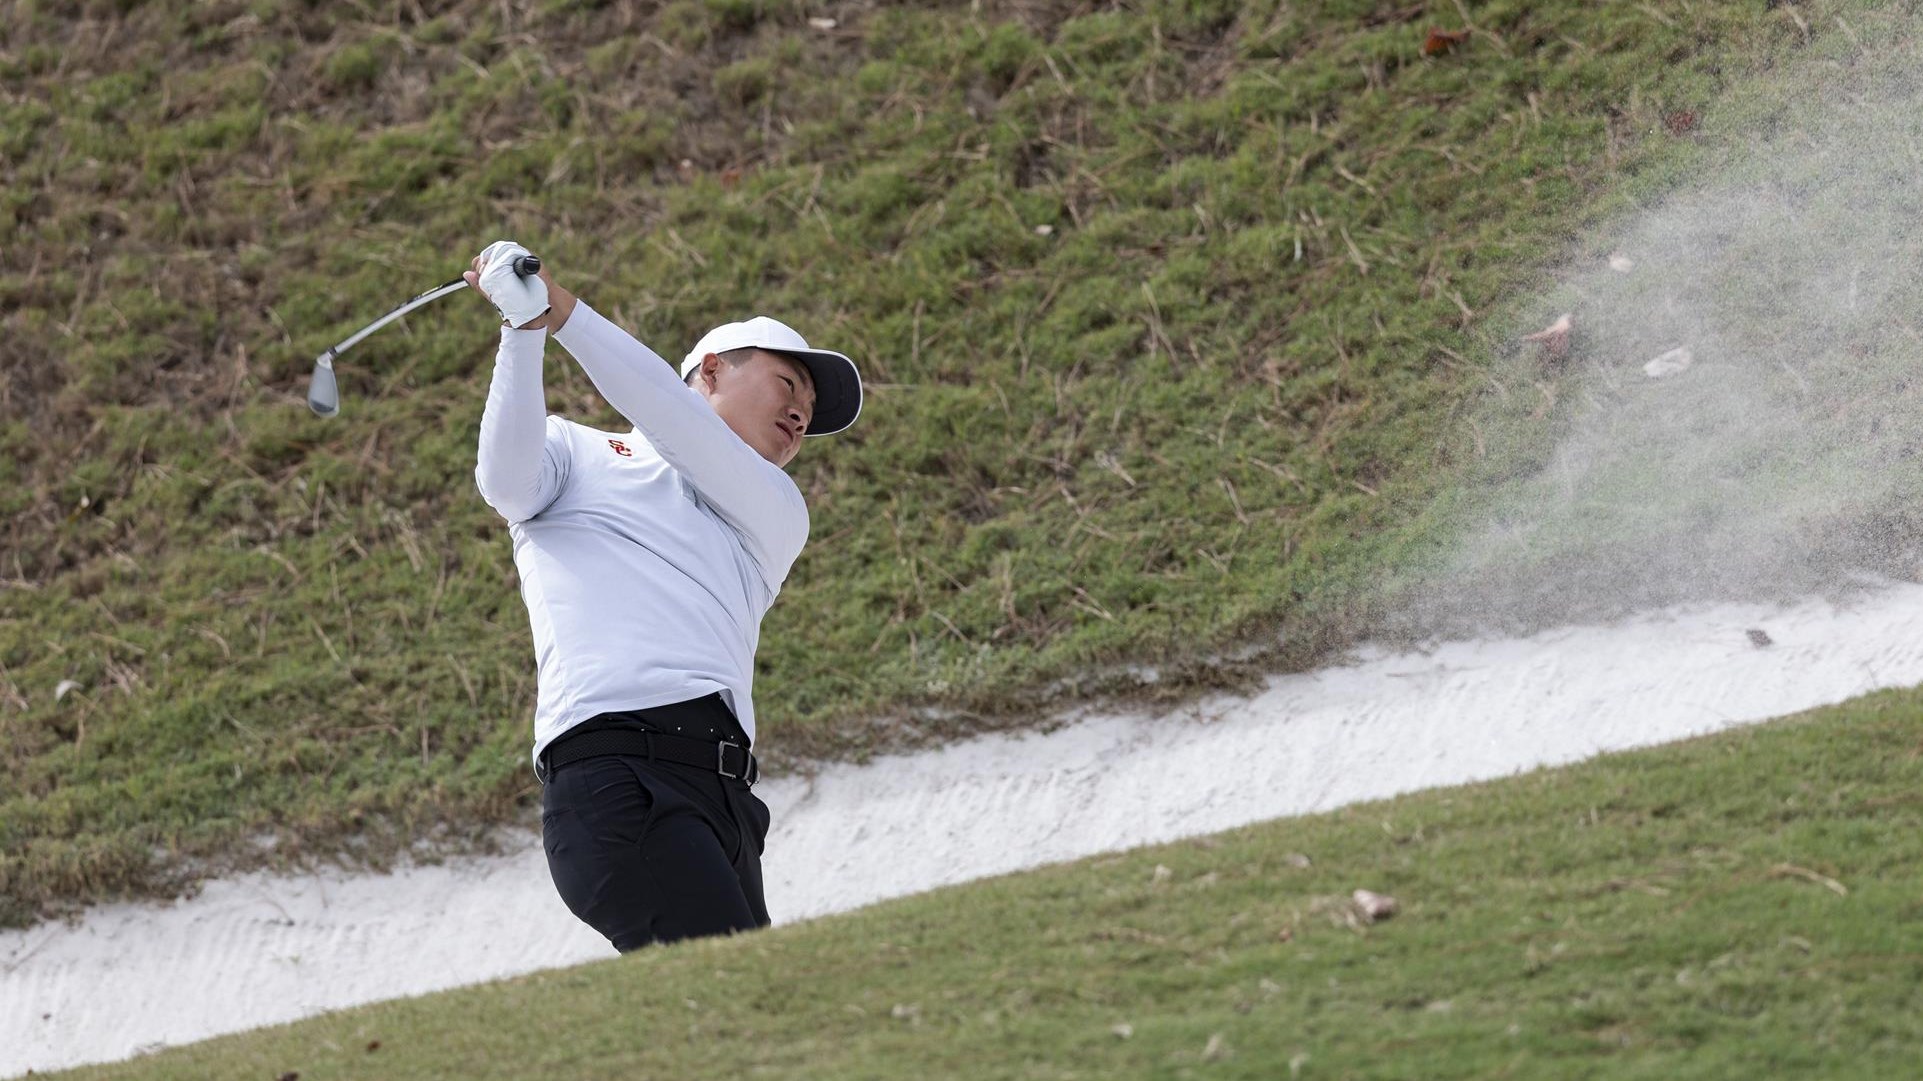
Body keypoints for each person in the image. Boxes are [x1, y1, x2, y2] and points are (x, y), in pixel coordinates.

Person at [462, 240, 862, 951]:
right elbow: (506, 483)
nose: (802, 416)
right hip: (615, 773)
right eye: (787, 386)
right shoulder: (576, 455)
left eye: (810, 409)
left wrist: (560, 313)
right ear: (710, 369)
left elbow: (673, 419)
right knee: (746, 1009)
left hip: (724, 800)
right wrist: (521, 334)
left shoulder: (774, 505)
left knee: (749, 1019)